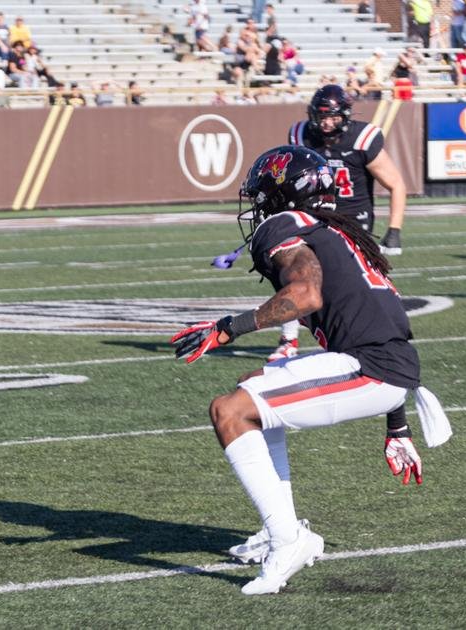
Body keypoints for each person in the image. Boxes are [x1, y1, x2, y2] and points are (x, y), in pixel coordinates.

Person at [171, 145, 449, 595]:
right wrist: (397, 424)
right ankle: (279, 526)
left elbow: (305, 296)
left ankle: (289, 540)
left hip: (372, 369)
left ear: (283, 192)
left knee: (229, 411)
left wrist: (227, 329)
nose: (258, 200)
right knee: (251, 388)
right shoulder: (340, 233)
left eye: (263, 190)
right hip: (386, 366)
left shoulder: (283, 226)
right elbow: (381, 324)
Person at [269, 84, 407, 361]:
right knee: (293, 273)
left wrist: (394, 229)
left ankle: (383, 333)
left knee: (354, 285)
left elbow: (396, 184)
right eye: (323, 117)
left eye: (334, 117)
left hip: (353, 222)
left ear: (345, 116)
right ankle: (288, 340)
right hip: (315, 217)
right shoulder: (300, 135)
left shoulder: (362, 138)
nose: (328, 123)